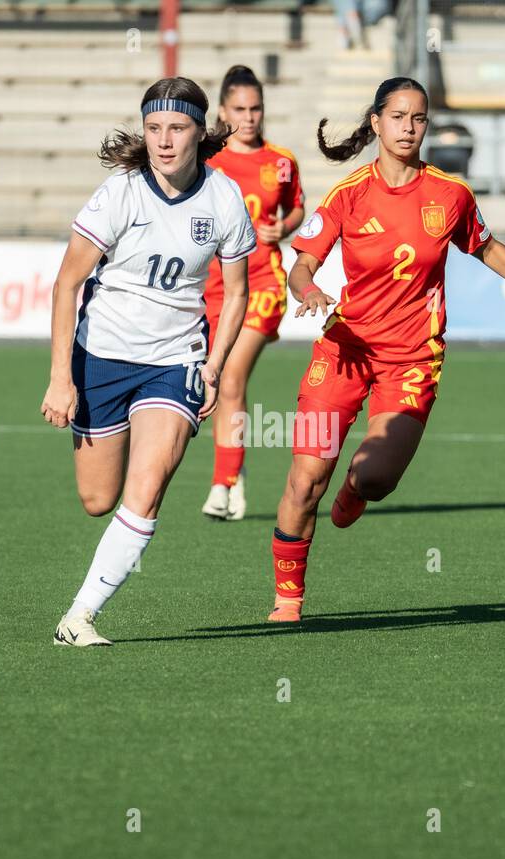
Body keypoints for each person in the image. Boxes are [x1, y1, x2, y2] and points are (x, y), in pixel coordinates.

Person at [266, 77, 505, 624]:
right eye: (397, 117)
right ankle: (288, 599)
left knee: (375, 478)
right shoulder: (348, 195)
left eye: (418, 119)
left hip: (413, 359)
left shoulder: (450, 194)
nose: (408, 128)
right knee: (304, 480)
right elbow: (300, 265)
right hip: (343, 352)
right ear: (375, 122)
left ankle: (356, 488)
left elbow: (486, 248)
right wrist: (310, 290)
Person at [41, 77, 256, 647]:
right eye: (154, 128)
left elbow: (237, 292)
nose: (163, 141)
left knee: (150, 481)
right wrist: (61, 377)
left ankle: (78, 617)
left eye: (177, 128)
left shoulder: (224, 197)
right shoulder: (120, 193)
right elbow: (67, 284)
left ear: (200, 132)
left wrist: (212, 367)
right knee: (97, 500)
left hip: (175, 360)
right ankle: (84, 605)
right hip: (102, 358)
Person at [200, 65, 306, 521]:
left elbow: (298, 206)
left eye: (256, 107)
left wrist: (282, 226)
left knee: (229, 377)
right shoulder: (205, 162)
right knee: (213, 387)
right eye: (239, 108)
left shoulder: (280, 161)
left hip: (263, 284)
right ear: (223, 110)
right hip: (211, 290)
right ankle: (234, 465)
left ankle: (221, 485)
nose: (248, 116)